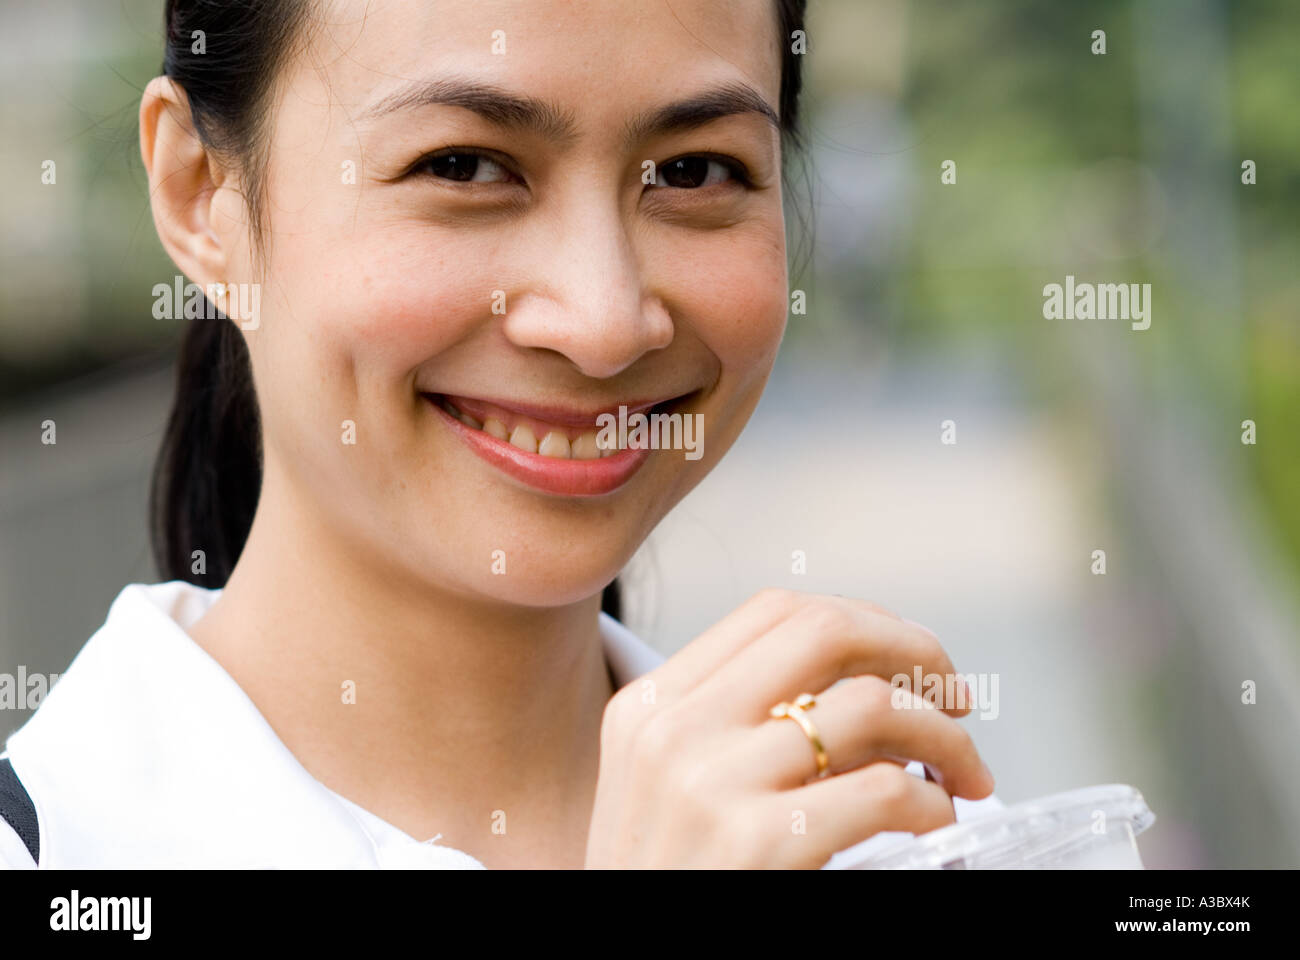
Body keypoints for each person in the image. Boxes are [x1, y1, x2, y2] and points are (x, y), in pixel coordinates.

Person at [0, 0, 998, 869]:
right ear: (199, 195)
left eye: (693, 170)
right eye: (464, 165)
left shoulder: (891, 838)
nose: (603, 322)